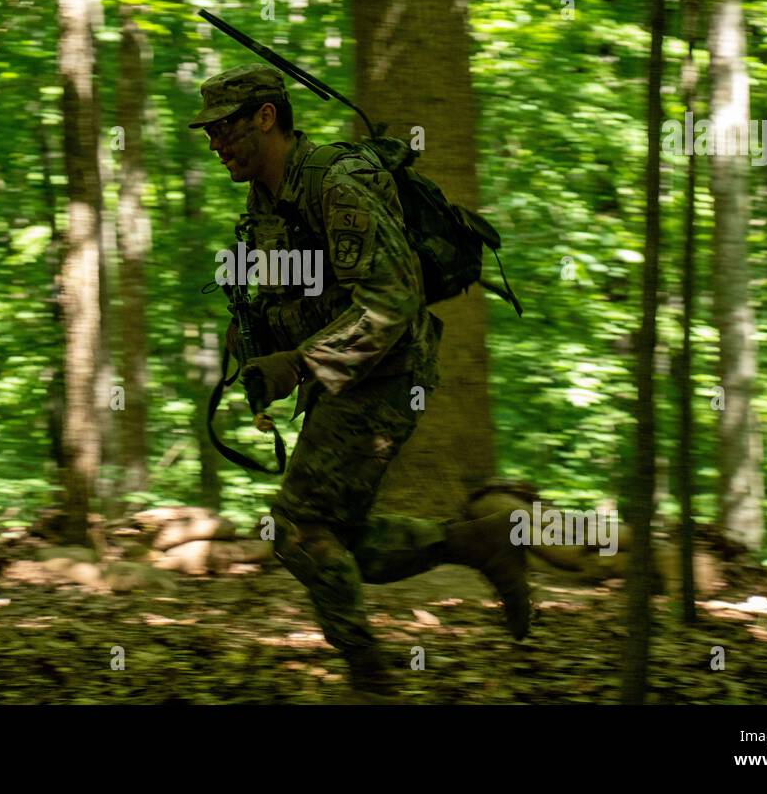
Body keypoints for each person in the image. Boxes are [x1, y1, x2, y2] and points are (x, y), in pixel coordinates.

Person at [190, 64, 531, 700]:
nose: (217, 145)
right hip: (347, 373)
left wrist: (297, 363)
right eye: (209, 136)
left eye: (225, 130)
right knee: (342, 544)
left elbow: (391, 301)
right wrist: (256, 341)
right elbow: (300, 293)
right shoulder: (265, 197)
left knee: (295, 529)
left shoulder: (335, 184)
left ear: (267, 117)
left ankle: (369, 678)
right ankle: (480, 543)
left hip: (389, 371)